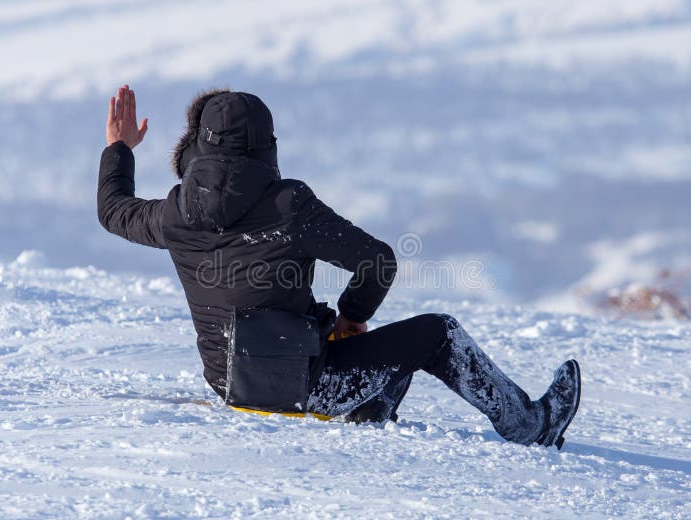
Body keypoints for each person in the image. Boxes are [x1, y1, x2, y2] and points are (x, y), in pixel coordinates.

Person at [98, 85, 581, 448]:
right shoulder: (289, 203)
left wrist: (119, 148)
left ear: (200, 145)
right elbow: (378, 261)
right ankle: (530, 425)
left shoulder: (174, 212)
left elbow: (113, 209)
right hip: (306, 388)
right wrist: (352, 315)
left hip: (229, 385)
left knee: (372, 351)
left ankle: (368, 408)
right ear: (268, 145)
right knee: (436, 335)